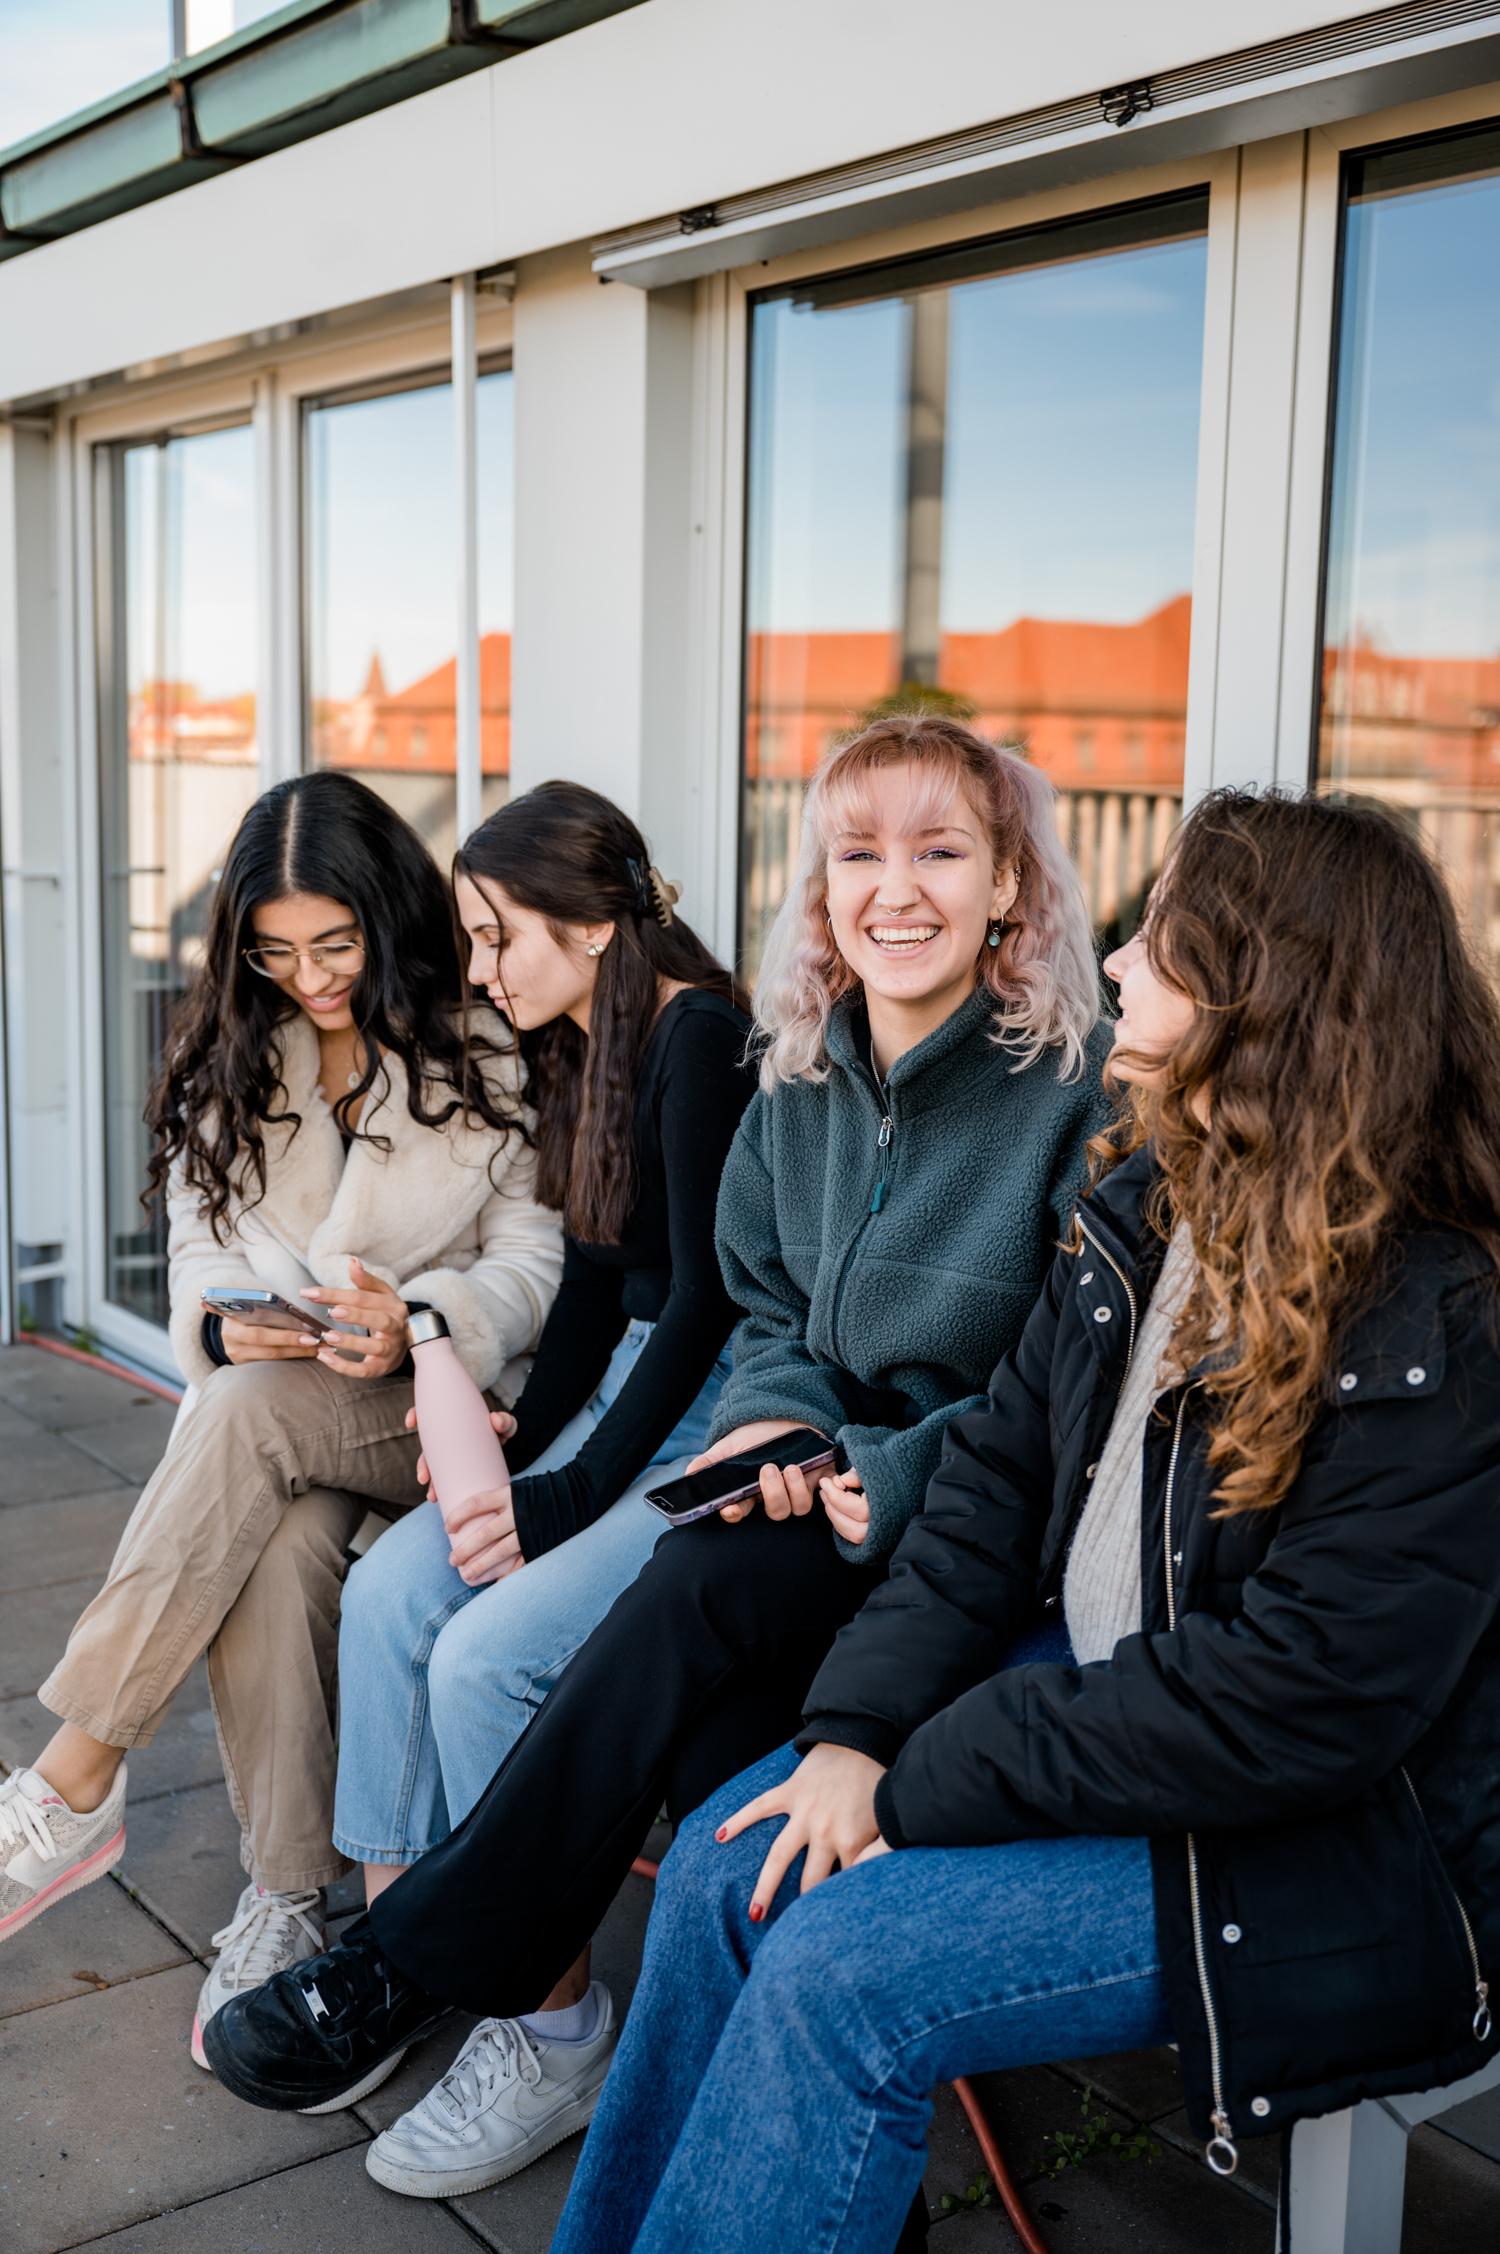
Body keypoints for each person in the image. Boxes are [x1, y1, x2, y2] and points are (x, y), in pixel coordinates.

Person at [539, 785, 1500, 2254]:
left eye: (1161, 944)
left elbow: (1296, 1701)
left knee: (841, 1970)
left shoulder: (1438, 1320)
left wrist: (921, 1779)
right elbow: (990, 1484)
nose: (1115, 963)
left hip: (1311, 1834)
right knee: (732, 1862)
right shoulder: (1155, 1202)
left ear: (1273, 1001)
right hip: (1112, 1701)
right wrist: (857, 1729)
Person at [200, 713, 1115, 2203]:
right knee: (711, 1764)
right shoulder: (801, 1080)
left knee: (683, 1586)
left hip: (967, 1537)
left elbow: (1058, 1399)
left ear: (1010, 885)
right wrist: (771, 1419)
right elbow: (761, 1309)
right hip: (803, 1505)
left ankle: (415, 1955)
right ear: (820, 890)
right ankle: (775, 2164)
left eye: (942, 850)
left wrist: (879, 1465)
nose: (898, 887)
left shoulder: (1068, 1095)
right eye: (860, 852)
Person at [0, 773, 563, 2073]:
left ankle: (75, 1778)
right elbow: (197, 1249)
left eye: (335, 941)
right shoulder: (233, 1051)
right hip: (285, 1412)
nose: (307, 974)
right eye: (275, 948)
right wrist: (220, 1324)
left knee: (248, 1425)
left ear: (387, 915)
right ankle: (287, 1895)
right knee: (284, 1535)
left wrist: (423, 1313)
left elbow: (535, 1255)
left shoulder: (481, 1048)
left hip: (445, 1412)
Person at [329, 781, 754, 2091]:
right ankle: (406, 1960)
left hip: (706, 1405)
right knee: (388, 1589)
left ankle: (554, 2032)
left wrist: (564, 1495)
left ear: (589, 922)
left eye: (497, 933)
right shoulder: (581, 1042)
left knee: (477, 1660)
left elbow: (702, 1305)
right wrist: (527, 1431)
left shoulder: (701, 1039)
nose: (482, 967)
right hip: (629, 1392)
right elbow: (587, 1287)